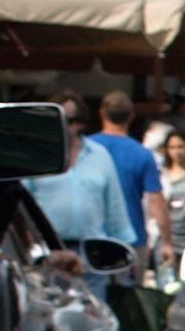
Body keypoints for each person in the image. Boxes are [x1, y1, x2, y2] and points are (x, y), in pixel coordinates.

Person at [25, 96, 138, 255]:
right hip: (47, 252)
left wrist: (125, 249)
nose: (65, 126)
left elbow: (115, 208)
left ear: (81, 123)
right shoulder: (35, 155)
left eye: (71, 120)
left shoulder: (99, 154)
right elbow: (20, 207)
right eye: (59, 120)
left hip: (91, 253)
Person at [92, 90, 171, 262]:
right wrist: (167, 242)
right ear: (131, 117)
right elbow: (156, 199)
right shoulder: (142, 154)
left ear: (101, 114)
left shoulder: (86, 149)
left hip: (90, 238)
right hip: (132, 238)